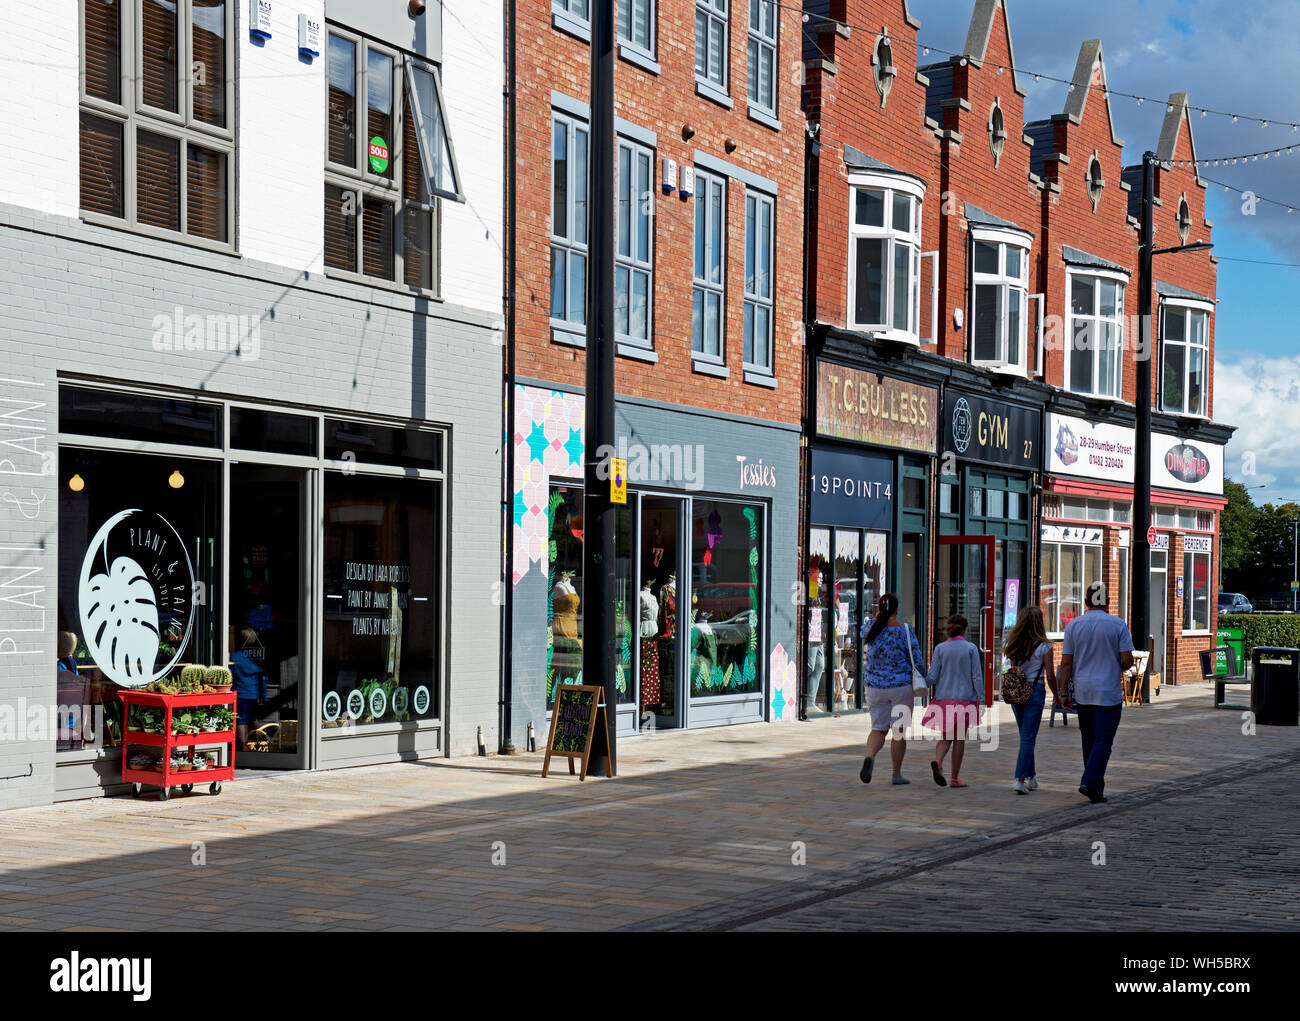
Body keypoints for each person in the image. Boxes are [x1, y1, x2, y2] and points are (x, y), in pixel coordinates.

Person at [1057, 581, 1134, 803]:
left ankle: (1095, 787)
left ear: (1086, 602)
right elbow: (1127, 659)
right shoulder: (1118, 625)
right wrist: (1114, 665)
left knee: (1088, 740)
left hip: (1083, 690)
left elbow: (1066, 663)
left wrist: (1063, 693)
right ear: (1108, 602)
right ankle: (1090, 781)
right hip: (1108, 692)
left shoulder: (1074, 626)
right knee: (1103, 741)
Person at [858, 593, 925, 785]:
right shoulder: (904, 630)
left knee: (878, 729)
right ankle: (896, 774)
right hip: (900, 686)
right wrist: (924, 678)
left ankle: (870, 756)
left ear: (879, 608)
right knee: (898, 731)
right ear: (896, 609)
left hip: (874, 686)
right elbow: (916, 657)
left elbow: (865, 633)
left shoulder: (870, 626)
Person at [1002, 605, 1060, 794]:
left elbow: (1014, 669)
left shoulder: (1015, 644)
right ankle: (1019, 779)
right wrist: (1058, 696)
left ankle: (1032, 777)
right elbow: (1050, 675)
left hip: (1017, 691)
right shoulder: (1045, 646)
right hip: (1035, 691)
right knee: (1028, 737)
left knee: (1025, 736)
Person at [923, 614, 984, 787]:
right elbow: (977, 677)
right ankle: (955, 778)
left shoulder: (940, 648)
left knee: (945, 737)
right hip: (965, 700)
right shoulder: (971, 648)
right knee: (959, 739)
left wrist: (919, 683)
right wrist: (982, 699)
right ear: (964, 629)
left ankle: (939, 762)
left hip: (943, 699)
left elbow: (932, 677)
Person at [229, 626, 267, 746]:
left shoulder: (234, 657)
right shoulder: (257, 657)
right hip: (254, 693)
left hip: (241, 693)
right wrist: (264, 695)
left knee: (241, 720)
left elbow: (229, 674)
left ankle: (244, 744)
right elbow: (263, 679)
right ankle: (264, 740)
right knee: (255, 718)